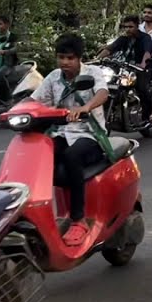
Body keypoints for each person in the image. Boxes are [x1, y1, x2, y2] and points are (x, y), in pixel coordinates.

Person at [32, 33, 111, 245]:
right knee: (40, 155)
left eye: (69, 58)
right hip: (61, 132)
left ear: (78, 58)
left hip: (89, 135)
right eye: (61, 57)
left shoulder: (93, 73)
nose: (64, 62)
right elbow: (35, 100)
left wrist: (86, 107)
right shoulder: (53, 77)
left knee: (71, 156)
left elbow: (103, 93)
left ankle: (78, 220)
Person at [97, 15, 152, 121]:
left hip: (141, 68)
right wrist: (97, 59)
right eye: (125, 27)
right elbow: (110, 49)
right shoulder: (123, 39)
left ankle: (151, 112)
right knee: (109, 83)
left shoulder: (145, 38)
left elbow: (147, 53)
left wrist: (143, 64)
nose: (127, 29)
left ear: (137, 26)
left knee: (141, 87)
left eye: (130, 27)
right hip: (124, 68)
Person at [0, 15, 21, 101]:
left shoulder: (13, 37)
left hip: (9, 64)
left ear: (7, 25)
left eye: (0, 24)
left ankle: (8, 98)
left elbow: (16, 48)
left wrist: (5, 52)